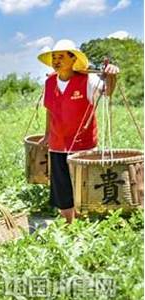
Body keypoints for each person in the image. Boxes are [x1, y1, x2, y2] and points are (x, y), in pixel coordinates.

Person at [37, 39, 119, 224]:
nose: (56, 60)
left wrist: (111, 75)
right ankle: (69, 223)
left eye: (61, 56)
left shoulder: (87, 79)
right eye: (54, 57)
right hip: (58, 143)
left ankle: (84, 222)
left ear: (73, 59)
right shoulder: (49, 82)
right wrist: (47, 134)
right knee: (62, 185)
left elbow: (107, 92)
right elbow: (50, 110)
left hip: (83, 143)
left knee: (84, 184)